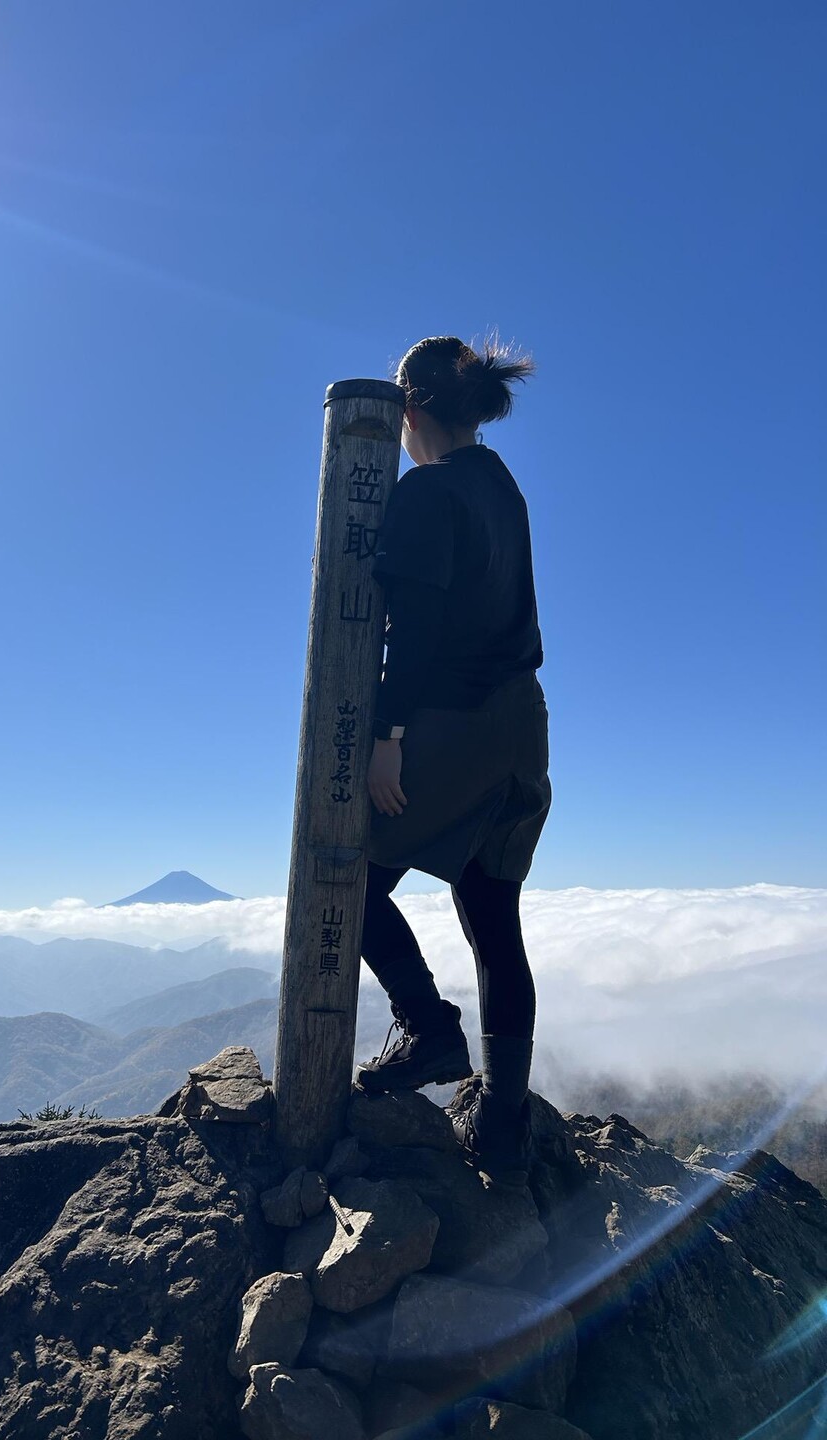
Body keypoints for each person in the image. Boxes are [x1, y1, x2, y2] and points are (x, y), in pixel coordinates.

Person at [354, 334, 551, 1190]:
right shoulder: (500, 486)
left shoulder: (428, 493)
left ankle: (429, 1028)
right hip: (523, 724)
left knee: (348, 881)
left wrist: (387, 740)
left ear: (408, 407)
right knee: (492, 915)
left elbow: (417, 635)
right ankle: (503, 1122)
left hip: (455, 724)